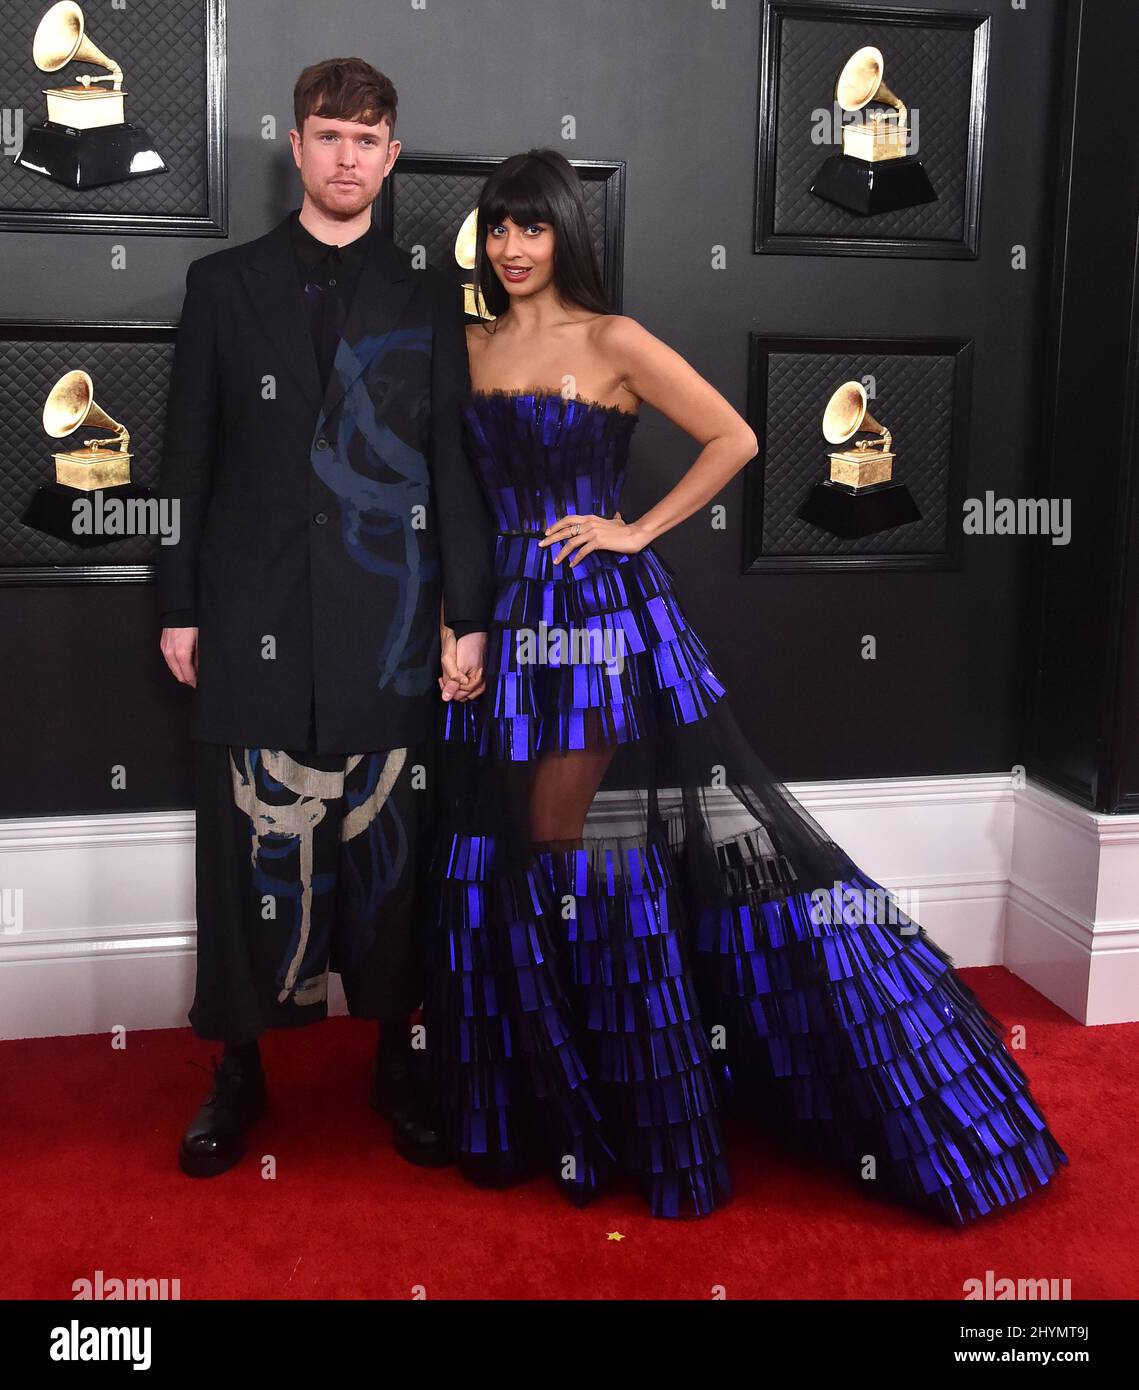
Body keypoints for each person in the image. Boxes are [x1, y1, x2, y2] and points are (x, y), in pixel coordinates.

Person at [425, 148, 1069, 1223]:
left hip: (587, 625)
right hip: (501, 613)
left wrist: (632, 530)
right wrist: (462, 619)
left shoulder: (613, 340)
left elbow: (735, 437)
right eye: (495, 228)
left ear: (562, 235)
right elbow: (454, 493)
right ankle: (544, 1094)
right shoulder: (469, 343)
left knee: (543, 840)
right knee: (495, 840)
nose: (510, 247)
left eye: (529, 228)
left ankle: (593, 1102)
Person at [156, 58, 494, 1177]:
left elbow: (453, 465)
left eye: (367, 138)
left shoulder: (428, 294)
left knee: (390, 850)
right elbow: (186, 458)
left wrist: (468, 614)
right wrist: (179, 603)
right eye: (327, 134)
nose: (347, 155)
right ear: (295, 147)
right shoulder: (221, 284)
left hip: (392, 616)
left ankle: (395, 1059)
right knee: (247, 845)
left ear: (391, 156)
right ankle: (239, 1066)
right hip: (250, 609)